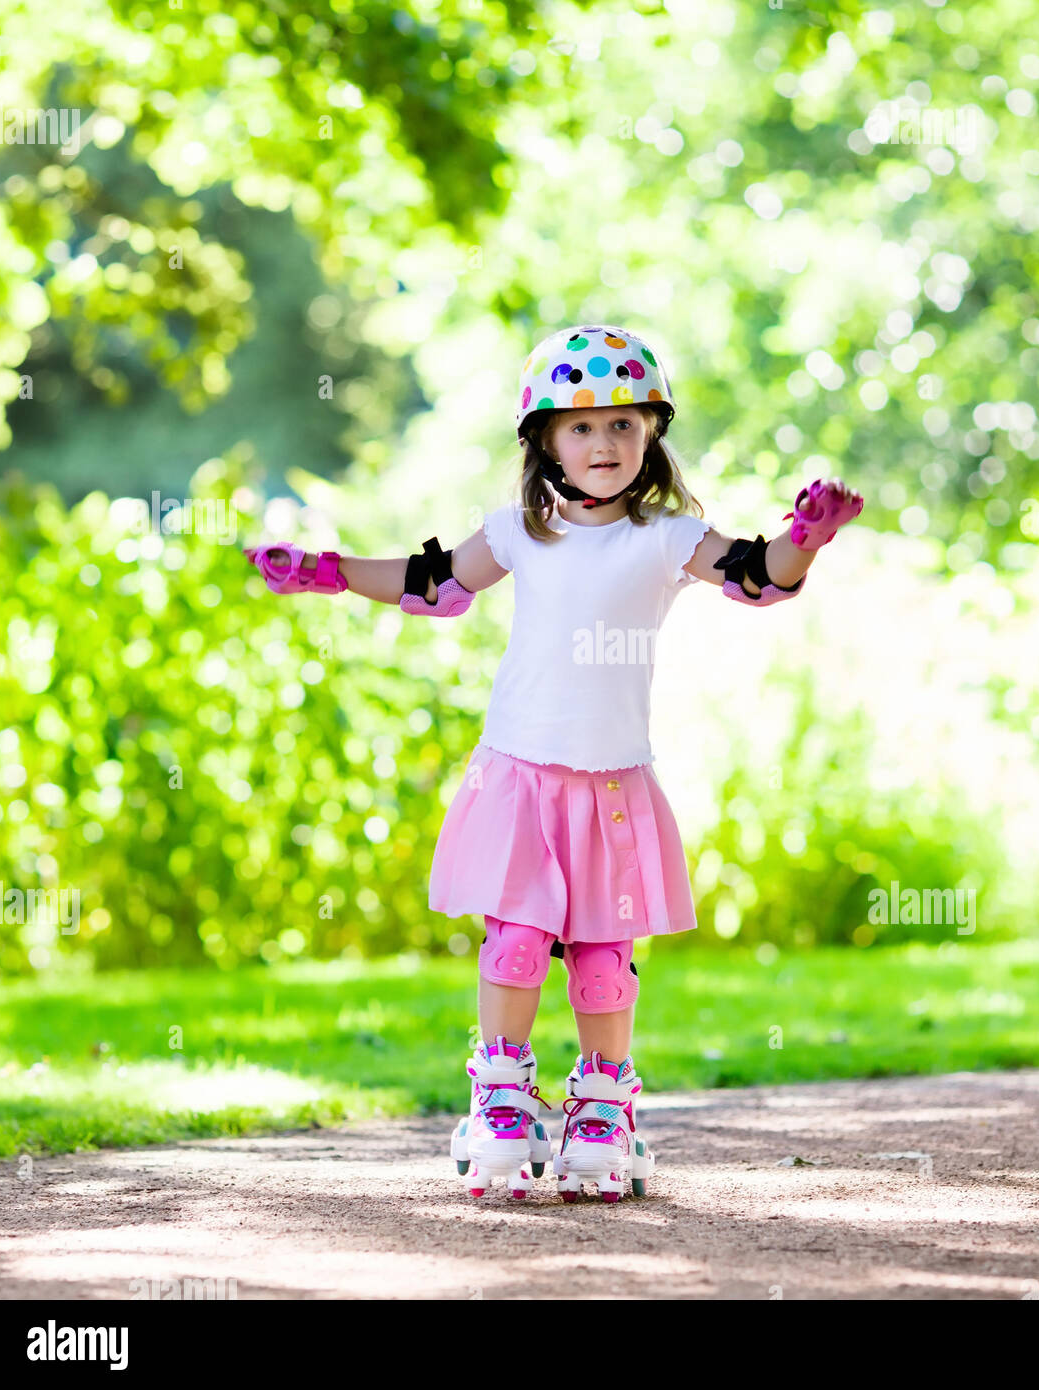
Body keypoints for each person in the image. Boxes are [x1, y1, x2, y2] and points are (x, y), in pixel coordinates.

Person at [243, 323, 863, 1203]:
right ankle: (501, 1101)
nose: (603, 443)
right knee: (516, 943)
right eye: (581, 426)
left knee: (605, 957)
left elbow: (758, 576)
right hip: (521, 775)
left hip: (611, 782)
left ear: (651, 434)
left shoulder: (667, 536)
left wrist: (807, 537)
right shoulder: (518, 532)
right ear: (544, 441)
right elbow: (432, 584)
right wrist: (329, 570)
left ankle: (604, 1112)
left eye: (622, 424)